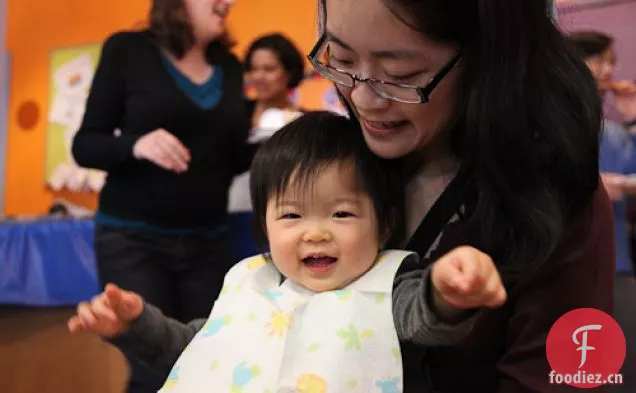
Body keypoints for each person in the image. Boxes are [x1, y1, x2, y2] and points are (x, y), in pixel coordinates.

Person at [73, 0, 616, 391]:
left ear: (487, 57)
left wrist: (452, 295)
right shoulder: (341, 160)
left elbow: (564, 369)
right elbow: (213, 343)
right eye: (339, 58)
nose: (361, 98)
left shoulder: (553, 195)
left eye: (399, 72)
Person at [68, 112, 507, 392]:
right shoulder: (251, 286)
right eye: (292, 217)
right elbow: (195, 350)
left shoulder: (387, 287)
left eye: (341, 214)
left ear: (385, 223)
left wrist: (446, 291)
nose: (315, 234)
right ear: (265, 227)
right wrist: (134, 325)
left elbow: (426, 316)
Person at [70, 0, 249, 392]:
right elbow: (85, 146)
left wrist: (284, 138)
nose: (230, 2)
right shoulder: (127, 50)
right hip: (133, 241)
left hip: (209, 242)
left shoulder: (232, 66)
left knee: (211, 362)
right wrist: (136, 145)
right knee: (152, 374)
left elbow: (232, 159)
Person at [567, 30, 636, 393]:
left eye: (612, 61)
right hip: (565, 266)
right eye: (603, 60)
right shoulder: (553, 125)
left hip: (617, 265)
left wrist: (632, 122)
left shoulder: (614, 130)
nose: (611, 70)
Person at [228, 33, 306, 259]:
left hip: (279, 222)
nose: (259, 77)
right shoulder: (231, 114)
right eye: (254, 69)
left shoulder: (303, 123)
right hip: (224, 222)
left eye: (269, 69)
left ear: (289, 72)